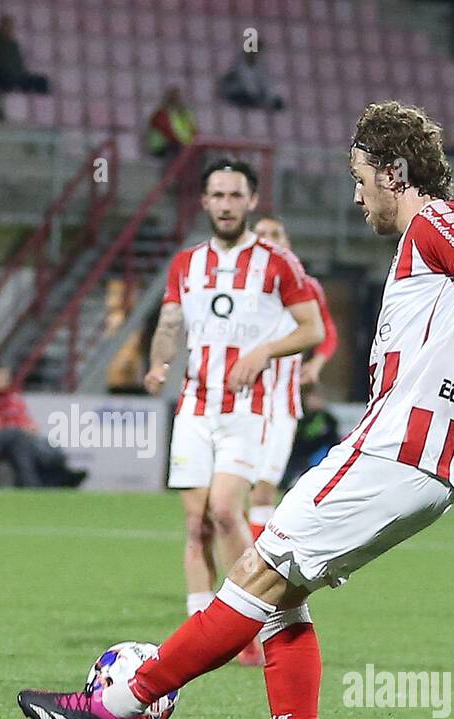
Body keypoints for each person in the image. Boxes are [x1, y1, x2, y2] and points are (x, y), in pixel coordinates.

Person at [17, 102, 454, 719]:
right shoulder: (423, 245)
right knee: (283, 594)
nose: (355, 195)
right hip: (419, 465)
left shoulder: (438, 222)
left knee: (254, 571)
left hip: (398, 452)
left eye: (360, 178)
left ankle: (126, 700)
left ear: (395, 172)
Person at [141, 159, 323, 625]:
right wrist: (159, 363)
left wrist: (263, 353)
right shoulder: (187, 264)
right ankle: (203, 633)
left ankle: (255, 617)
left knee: (225, 510)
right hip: (195, 407)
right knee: (195, 523)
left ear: (252, 200)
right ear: (204, 202)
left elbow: (313, 329)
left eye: (235, 195)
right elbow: (170, 323)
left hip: (247, 408)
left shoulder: (277, 262)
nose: (226, 204)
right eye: (217, 195)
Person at [230, 213, 339, 665]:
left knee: (262, 491)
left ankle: (257, 587)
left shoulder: (303, 285)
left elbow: (326, 333)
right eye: (263, 235)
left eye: (277, 234)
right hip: (237, 405)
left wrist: (315, 365)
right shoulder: (243, 285)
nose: (269, 241)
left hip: (278, 406)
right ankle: (248, 583)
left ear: (288, 241)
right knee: (225, 504)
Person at [0, 15, 48, 94]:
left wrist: (20, 74)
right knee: (9, 80)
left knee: (41, 81)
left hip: (14, 76)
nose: (9, 29)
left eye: (11, 27)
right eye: (7, 26)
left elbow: (18, 65)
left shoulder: (13, 44)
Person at [218, 48, 284, 111]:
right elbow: (245, 83)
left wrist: (271, 97)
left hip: (254, 94)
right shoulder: (238, 65)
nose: (254, 54)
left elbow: (266, 83)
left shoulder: (260, 66)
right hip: (237, 92)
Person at [146, 86, 198, 160]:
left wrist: (194, 144)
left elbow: (194, 131)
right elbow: (168, 132)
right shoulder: (161, 113)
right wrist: (186, 144)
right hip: (162, 146)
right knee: (176, 149)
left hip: (180, 145)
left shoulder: (185, 113)